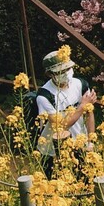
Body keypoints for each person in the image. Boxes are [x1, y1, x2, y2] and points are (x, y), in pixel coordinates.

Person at [35, 49, 96, 178]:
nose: (66, 73)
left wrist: (91, 141)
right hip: (52, 151)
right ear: (50, 74)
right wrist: (81, 106)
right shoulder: (44, 96)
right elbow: (61, 126)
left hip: (80, 144)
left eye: (68, 69)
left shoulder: (81, 84)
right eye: (60, 72)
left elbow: (89, 113)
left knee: (86, 183)